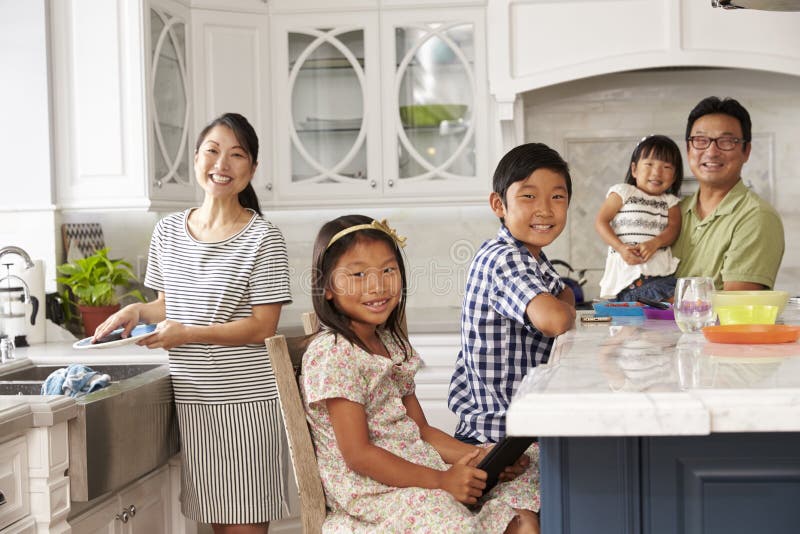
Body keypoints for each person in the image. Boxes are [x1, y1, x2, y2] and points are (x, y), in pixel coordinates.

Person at [93, 113, 291, 534]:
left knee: (243, 529)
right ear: (196, 159)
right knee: (219, 527)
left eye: (237, 155)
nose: (223, 164)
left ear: (252, 169)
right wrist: (138, 311)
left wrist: (186, 335)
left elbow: (262, 327)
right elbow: (171, 303)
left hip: (246, 404)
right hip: (195, 401)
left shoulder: (264, 238)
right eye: (213, 151)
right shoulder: (167, 231)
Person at [301, 214, 542, 533]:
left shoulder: (389, 343)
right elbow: (359, 455)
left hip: (418, 469)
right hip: (374, 492)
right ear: (327, 288)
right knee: (446, 516)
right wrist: (442, 481)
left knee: (532, 477)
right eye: (358, 274)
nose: (377, 285)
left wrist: (481, 457)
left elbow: (423, 431)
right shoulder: (334, 353)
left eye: (388, 270)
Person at [449, 143, 577, 445]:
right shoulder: (505, 258)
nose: (545, 209)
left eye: (557, 197)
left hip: (515, 428)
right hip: (498, 441)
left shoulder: (530, 255)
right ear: (499, 205)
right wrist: (565, 310)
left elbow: (566, 292)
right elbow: (556, 319)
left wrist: (563, 305)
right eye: (529, 196)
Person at [672, 96, 784, 290]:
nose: (712, 151)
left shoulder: (756, 216)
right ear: (688, 149)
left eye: (726, 141)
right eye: (700, 140)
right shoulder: (673, 211)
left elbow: (735, 307)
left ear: (746, 151)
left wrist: (657, 298)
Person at [595, 135, 684, 302]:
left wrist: (655, 242)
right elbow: (601, 221)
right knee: (683, 301)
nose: (657, 172)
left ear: (674, 176)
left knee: (688, 295)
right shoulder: (623, 192)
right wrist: (621, 248)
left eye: (666, 167)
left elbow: (673, 229)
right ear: (634, 169)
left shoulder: (670, 202)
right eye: (649, 164)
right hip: (630, 281)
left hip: (661, 277)